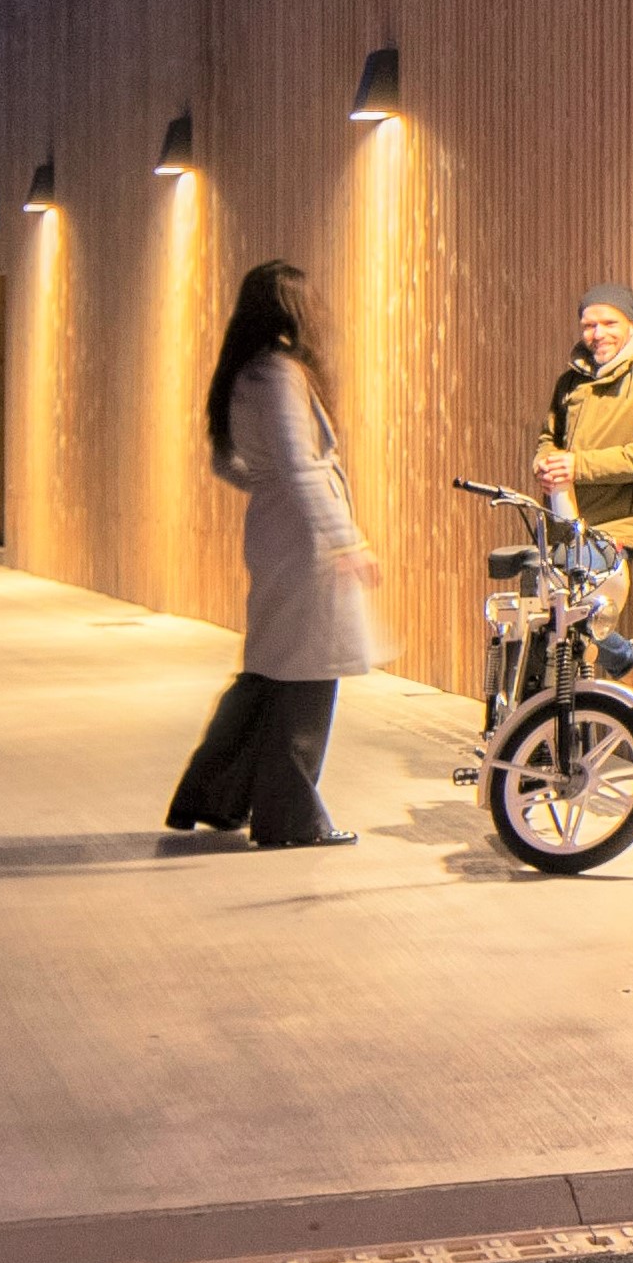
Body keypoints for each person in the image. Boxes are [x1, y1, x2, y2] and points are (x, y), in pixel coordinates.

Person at [164, 260, 381, 849]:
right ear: (293, 308)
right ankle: (289, 820)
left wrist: (265, 490)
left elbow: (227, 461)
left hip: (274, 533)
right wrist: (347, 539)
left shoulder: (244, 372)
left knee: (269, 671)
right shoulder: (282, 373)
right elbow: (299, 465)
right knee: (306, 678)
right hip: (306, 543)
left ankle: (213, 796)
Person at [537, 283, 633, 633]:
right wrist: (544, 463)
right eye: (589, 326)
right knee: (544, 625)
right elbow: (549, 438)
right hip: (563, 520)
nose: (597, 334)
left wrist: (579, 466)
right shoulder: (572, 381)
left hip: (616, 526)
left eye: (609, 323)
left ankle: (629, 664)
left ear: (632, 325)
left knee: (584, 621)